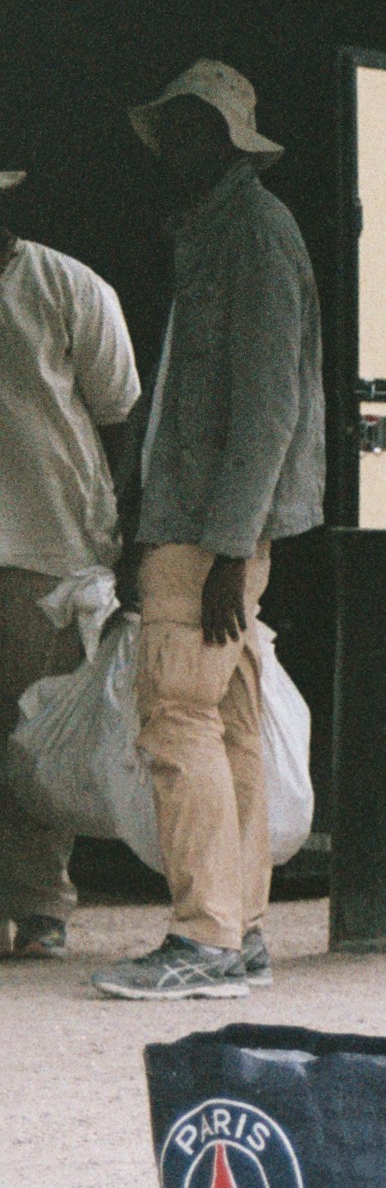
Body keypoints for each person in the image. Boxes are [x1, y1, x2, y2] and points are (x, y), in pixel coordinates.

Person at [91, 61, 322, 1002]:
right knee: (225, 726)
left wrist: (230, 546)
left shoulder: (250, 236)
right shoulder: (228, 230)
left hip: (209, 527)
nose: (176, 148)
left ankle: (204, 935)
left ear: (222, 140)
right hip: (209, 522)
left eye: (191, 130)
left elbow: (266, 407)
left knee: (175, 718)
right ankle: (241, 927)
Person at [0, 164, 140, 962]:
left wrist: (113, 536)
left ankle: (41, 905)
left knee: (35, 737)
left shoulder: (65, 285)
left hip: (50, 547)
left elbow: (123, 415)